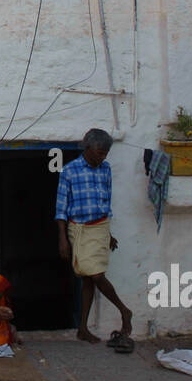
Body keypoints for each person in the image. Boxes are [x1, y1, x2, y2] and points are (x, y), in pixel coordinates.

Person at [55, 128, 134, 350]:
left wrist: (108, 234)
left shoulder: (105, 170)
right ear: (87, 148)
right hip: (78, 228)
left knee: (94, 275)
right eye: (99, 152)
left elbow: (106, 203)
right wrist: (62, 239)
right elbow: (60, 208)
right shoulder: (69, 171)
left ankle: (117, 314)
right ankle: (91, 325)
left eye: (106, 153)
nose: (102, 157)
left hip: (100, 226)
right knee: (90, 276)